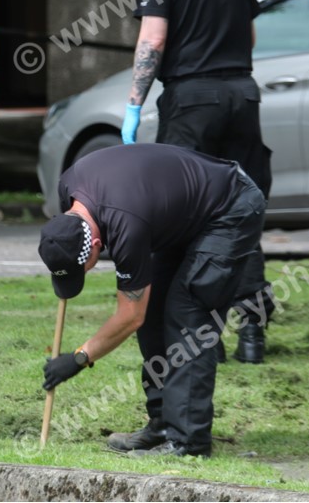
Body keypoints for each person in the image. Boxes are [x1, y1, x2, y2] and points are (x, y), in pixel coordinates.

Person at [120, 0, 276, 364]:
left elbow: (154, 37)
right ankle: (253, 330)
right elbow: (249, 34)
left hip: (192, 102)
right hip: (242, 95)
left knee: (184, 217)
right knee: (239, 210)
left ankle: (198, 332)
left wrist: (133, 107)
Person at [38, 142, 266, 457]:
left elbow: (130, 316)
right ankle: (162, 423)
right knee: (155, 314)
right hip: (176, 216)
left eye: (83, 269)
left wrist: (79, 358)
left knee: (189, 316)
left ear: (98, 245)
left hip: (230, 206)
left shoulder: (125, 226)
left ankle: (189, 442)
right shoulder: (70, 189)